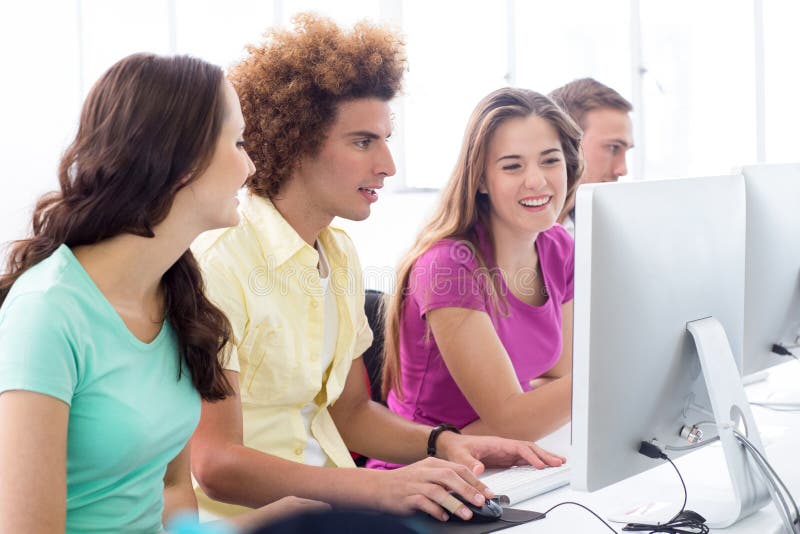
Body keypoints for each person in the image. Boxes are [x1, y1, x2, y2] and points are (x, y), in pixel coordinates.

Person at [190, 14, 562, 525]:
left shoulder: (337, 254)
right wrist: (375, 487)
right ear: (295, 140)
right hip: (258, 523)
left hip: (343, 511)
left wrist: (447, 445)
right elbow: (215, 464)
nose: (387, 164)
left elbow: (350, 414)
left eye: (386, 139)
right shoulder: (221, 264)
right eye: (364, 142)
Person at [0, 53, 324, 533]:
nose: (250, 165)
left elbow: (172, 491)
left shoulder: (178, 297)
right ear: (182, 161)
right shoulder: (47, 314)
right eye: (237, 142)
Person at [374, 88, 582, 467]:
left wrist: (527, 416)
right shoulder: (448, 267)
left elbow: (557, 378)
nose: (537, 181)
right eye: (512, 166)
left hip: (508, 454)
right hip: (426, 472)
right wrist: (614, 373)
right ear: (481, 180)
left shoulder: (558, 247)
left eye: (550, 161)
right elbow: (511, 417)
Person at [548, 77, 634, 234]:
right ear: (567, 142)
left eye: (625, 151)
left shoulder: (604, 227)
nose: (623, 169)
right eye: (613, 148)